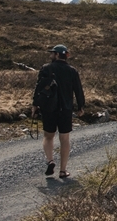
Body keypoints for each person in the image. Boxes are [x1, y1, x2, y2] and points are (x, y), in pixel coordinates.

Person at [32, 44, 85, 179]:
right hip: (66, 109)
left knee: (48, 136)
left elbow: (39, 88)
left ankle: (50, 161)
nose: (50, 55)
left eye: (52, 53)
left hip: (49, 108)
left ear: (56, 55)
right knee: (64, 139)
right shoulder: (72, 71)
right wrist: (81, 106)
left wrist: (35, 105)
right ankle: (63, 170)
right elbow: (78, 90)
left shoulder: (46, 68)